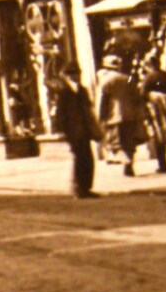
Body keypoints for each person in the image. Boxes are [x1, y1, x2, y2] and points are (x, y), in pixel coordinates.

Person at [53, 61, 101, 198]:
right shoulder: (64, 92)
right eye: (72, 74)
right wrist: (64, 131)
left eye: (77, 73)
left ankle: (86, 187)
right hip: (73, 131)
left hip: (85, 129)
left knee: (88, 159)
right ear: (67, 76)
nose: (75, 76)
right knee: (80, 158)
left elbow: (88, 109)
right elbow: (60, 113)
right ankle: (79, 188)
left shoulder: (82, 90)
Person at [95, 52, 147, 177]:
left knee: (117, 142)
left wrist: (100, 116)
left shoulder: (105, 80)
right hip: (130, 114)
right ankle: (129, 166)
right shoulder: (128, 78)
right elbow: (136, 96)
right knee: (129, 141)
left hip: (114, 116)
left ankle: (124, 161)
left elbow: (102, 100)